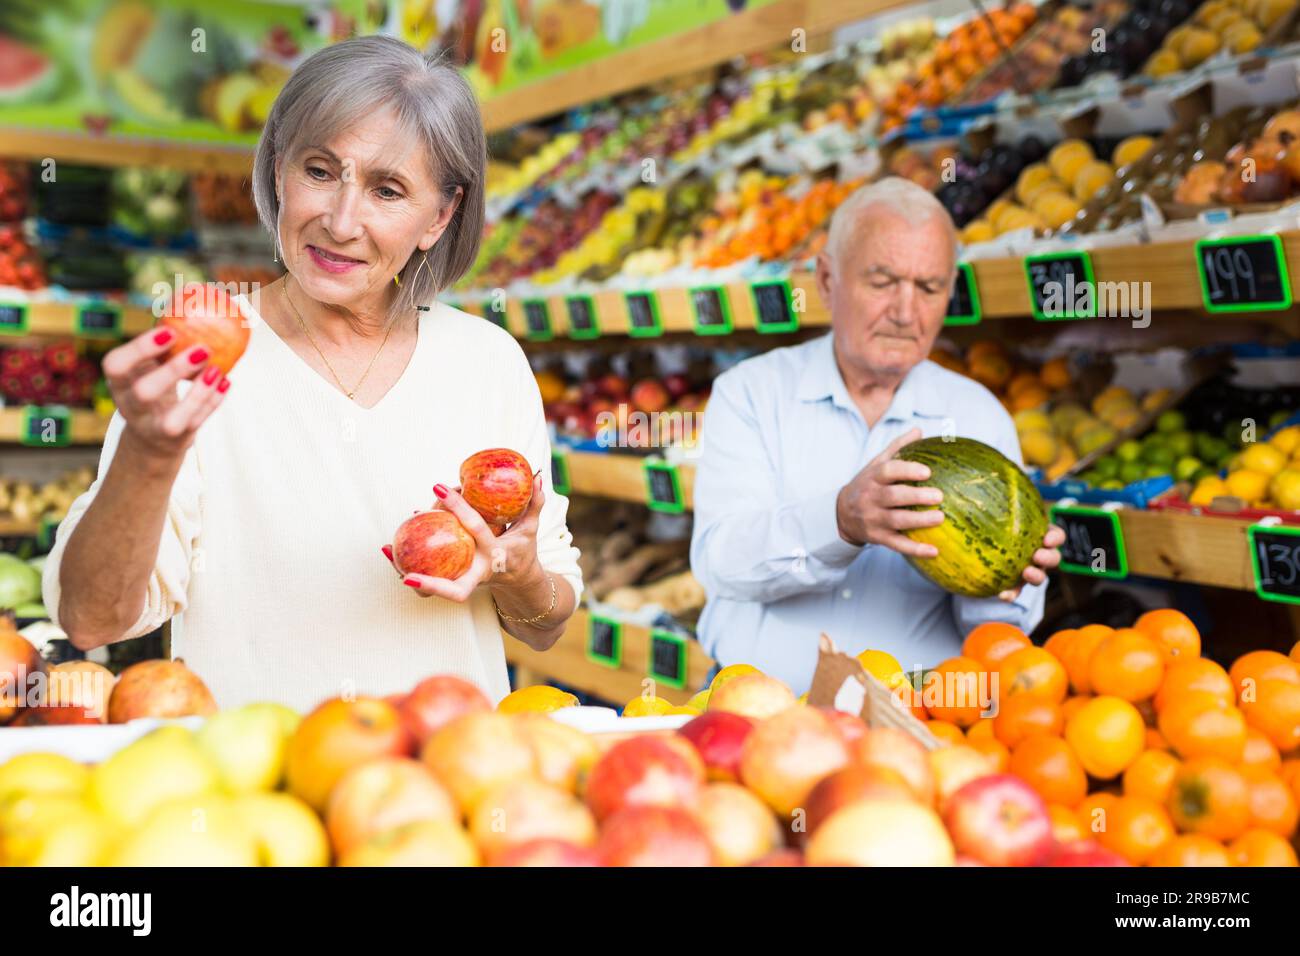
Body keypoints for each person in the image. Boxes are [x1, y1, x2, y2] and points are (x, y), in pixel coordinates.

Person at [42, 36, 581, 712]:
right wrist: (148, 457)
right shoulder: (199, 362)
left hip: (445, 786)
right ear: (277, 174)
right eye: (320, 172)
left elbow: (548, 624)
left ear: (439, 218)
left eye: (387, 190)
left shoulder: (486, 361)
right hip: (256, 791)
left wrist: (516, 569)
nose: (341, 220)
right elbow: (92, 621)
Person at [690, 177, 1064, 694]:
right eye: (883, 281)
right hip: (757, 710)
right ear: (826, 280)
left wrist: (1009, 582)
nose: (906, 312)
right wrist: (840, 520)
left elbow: (994, 633)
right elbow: (722, 564)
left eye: (928, 288)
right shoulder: (749, 394)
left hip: (917, 719)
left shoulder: (979, 416)